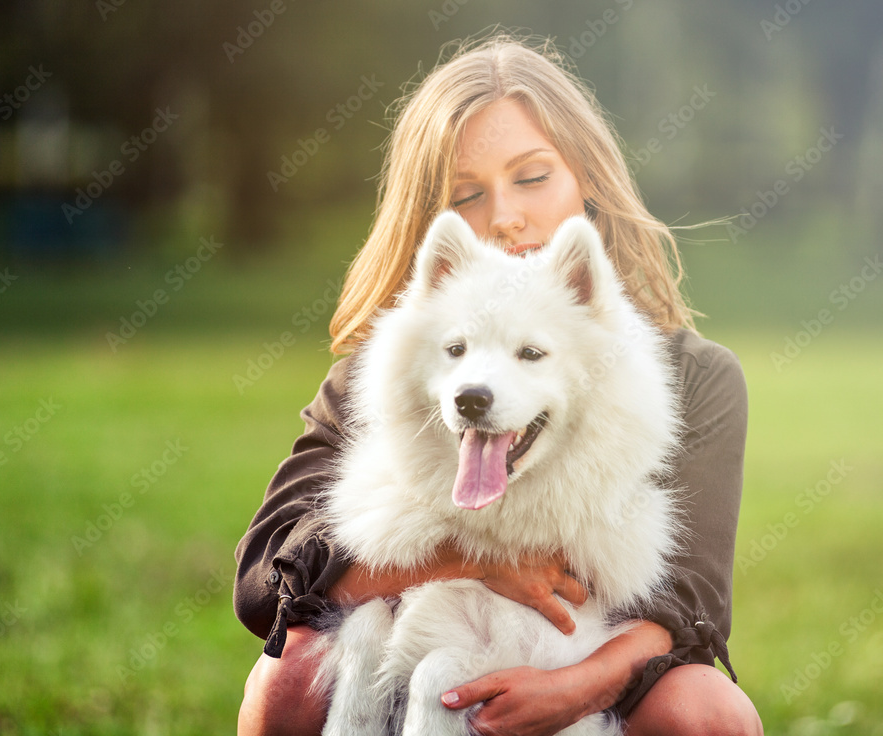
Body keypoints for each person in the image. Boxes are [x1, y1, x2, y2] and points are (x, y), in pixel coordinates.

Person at [235, 34, 763, 735]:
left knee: (708, 711)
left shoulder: (696, 376)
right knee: (290, 672)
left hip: (601, 668)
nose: (505, 214)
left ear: (589, 181)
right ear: (436, 222)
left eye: (533, 176)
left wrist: (575, 688)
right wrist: (470, 561)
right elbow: (261, 577)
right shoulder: (389, 374)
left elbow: (694, 606)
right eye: (466, 194)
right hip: (411, 665)